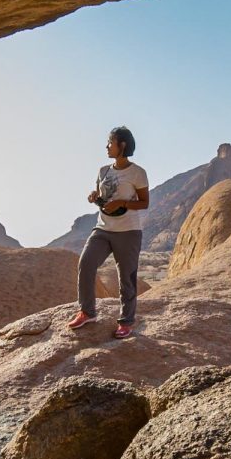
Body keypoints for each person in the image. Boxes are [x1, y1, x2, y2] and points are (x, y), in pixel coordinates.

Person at [68, 126, 149, 339]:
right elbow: (102, 197)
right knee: (86, 263)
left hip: (128, 231)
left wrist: (122, 202)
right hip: (103, 228)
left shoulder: (137, 173)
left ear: (121, 145)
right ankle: (87, 312)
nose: (106, 146)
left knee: (127, 278)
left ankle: (126, 322)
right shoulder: (103, 170)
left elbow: (144, 202)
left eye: (110, 143)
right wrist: (95, 196)